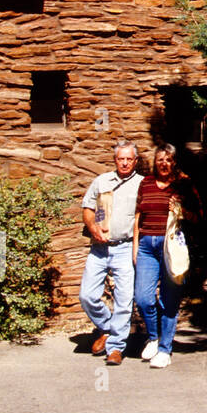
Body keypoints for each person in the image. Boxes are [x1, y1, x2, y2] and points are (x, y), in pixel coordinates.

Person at [80, 139, 144, 365]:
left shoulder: (142, 184)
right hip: (99, 248)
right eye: (121, 158)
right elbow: (88, 209)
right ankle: (107, 327)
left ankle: (116, 347)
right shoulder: (102, 181)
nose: (125, 163)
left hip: (125, 247)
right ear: (115, 160)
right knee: (86, 295)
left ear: (135, 161)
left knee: (125, 300)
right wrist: (92, 227)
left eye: (129, 159)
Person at [133, 144, 191, 369]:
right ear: (155, 162)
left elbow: (199, 215)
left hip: (172, 246)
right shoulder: (145, 183)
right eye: (160, 160)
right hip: (147, 246)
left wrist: (181, 210)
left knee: (169, 300)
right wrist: (135, 247)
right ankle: (154, 337)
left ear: (174, 162)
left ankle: (165, 349)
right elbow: (138, 216)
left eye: (168, 160)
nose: (164, 164)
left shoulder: (183, 184)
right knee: (143, 298)